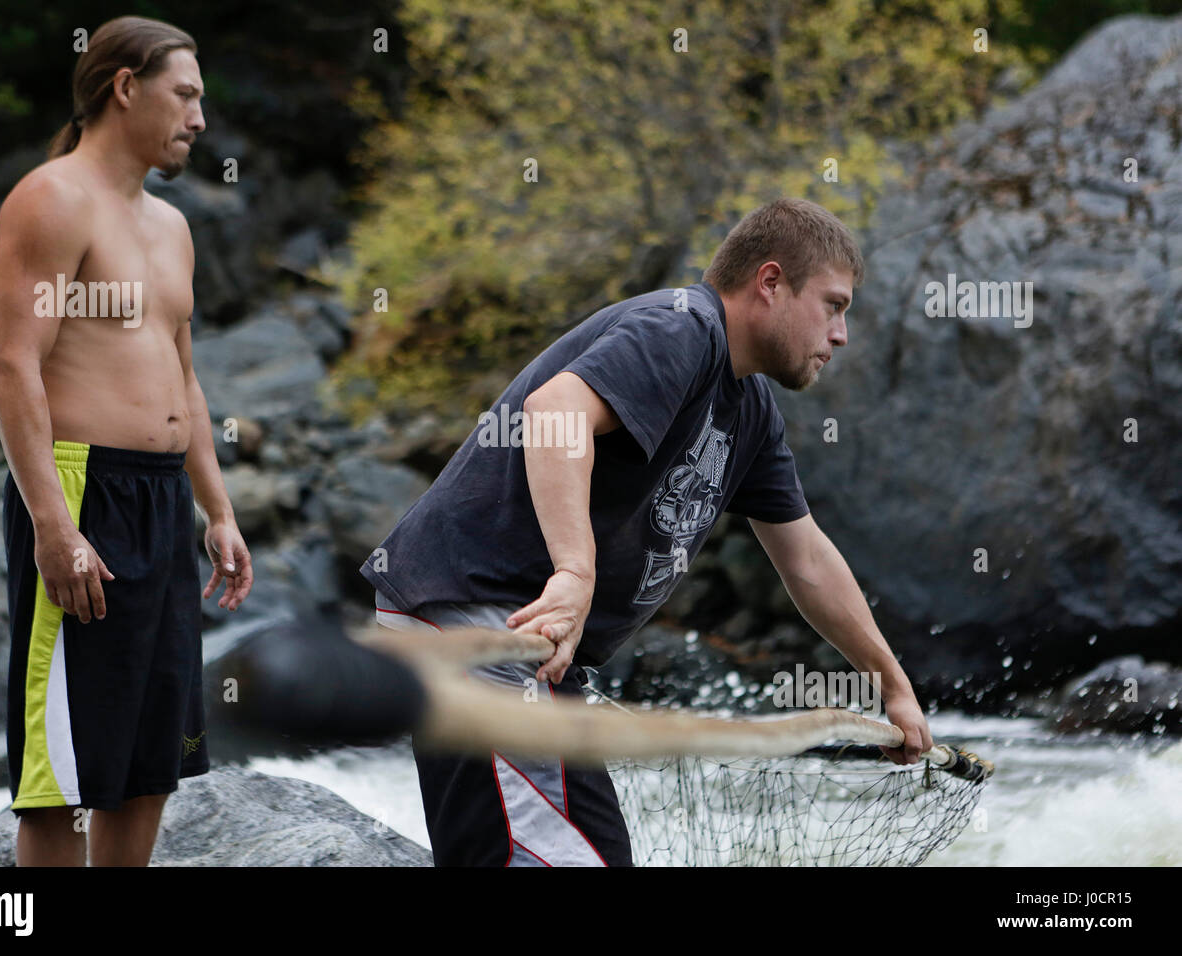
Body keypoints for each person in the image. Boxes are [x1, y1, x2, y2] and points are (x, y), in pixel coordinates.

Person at [362, 198, 934, 867]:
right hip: (469, 614)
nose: (840, 335)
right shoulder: (682, 329)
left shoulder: (749, 408)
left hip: (539, 651)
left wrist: (890, 683)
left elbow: (805, 557)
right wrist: (575, 571)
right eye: (833, 306)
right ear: (770, 283)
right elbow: (555, 411)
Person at [0, 16, 252, 867]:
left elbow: (184, 373)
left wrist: (217, 510)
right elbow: (13, 370)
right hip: (79, 490)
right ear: (125, 87)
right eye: (186, 94)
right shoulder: (51, 198)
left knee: (149, 759)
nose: (200, 119)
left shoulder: (170, 227)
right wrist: (52, 527)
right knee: (66, 769)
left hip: (161, 495)